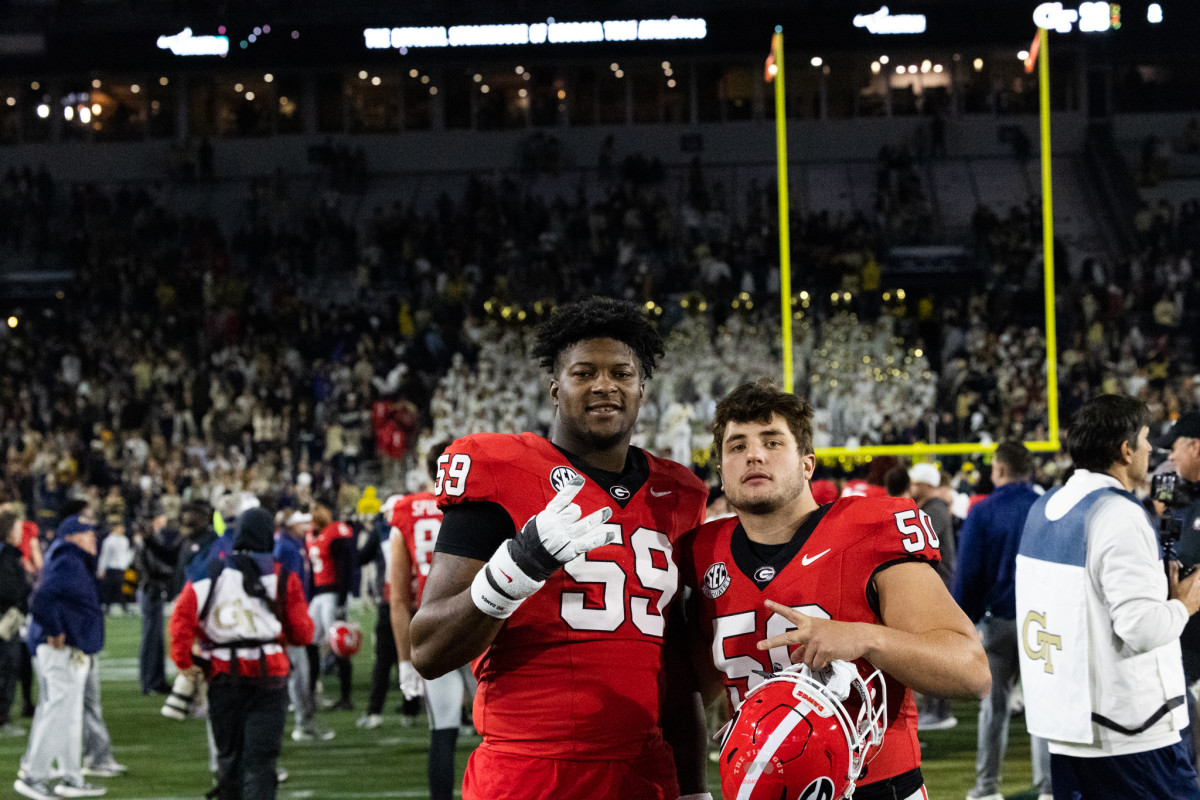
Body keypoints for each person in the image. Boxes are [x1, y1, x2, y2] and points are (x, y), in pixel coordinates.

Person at [410, 296, 711, 800]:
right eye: (584, 372)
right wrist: (516, 568)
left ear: (642, 389)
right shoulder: (498, 467)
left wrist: (694, 788)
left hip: (644, 771)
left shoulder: (678, 493)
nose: (604, 385)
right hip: (528, 771)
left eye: (621, 372)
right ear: (555, 387)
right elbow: (428, 650)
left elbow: (675, 666)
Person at [681, 380, 990, 800]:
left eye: (772, 442)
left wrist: (864, 636)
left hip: (876, 789)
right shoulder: (703, 552)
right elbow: (687, 691)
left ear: (807, 464)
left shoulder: (867, 528)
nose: (753, 454)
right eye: (736, 446)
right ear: (720, 469)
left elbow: (971, 669)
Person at [1016, 394, 1200, 799]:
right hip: (1130, 733)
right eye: (1147, 439)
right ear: (1125, 448)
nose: (1152, 450)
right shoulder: (1116, 513)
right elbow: (1141, 628)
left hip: (1068, 726)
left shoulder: (1046, 506)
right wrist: (1184, 603)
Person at [169, 507, 313, 800]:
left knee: (229, 759)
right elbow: (303, 634)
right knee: (261, 764)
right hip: (270, 677)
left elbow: (180, 619)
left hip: (223, 677)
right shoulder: (282, 576)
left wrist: (185, 661)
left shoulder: (209, 572)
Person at [953, 441, 1051, 800]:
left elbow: (969, 575)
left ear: (999, 470)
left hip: (999, 622)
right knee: (1043, 711)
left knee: (992, 711)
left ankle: (987, 789)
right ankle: (1050, 790)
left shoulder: (984, 511)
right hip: (1043, 624)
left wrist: (962, 623)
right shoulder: (1047, 507)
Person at [385, 441, 473, 800]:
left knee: (443, 730)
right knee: (506, 733)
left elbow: (398, 598)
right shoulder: (479, 505)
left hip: (433, 627)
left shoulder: (406, 510)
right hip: (478, 623)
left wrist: (405, 661)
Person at [15, 515, 107, 800]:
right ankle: (34, 776)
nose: (93, 538)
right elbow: (41, 598)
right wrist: (55, 629)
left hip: (69, 649)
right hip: (58, 649)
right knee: (57, 713)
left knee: (67, 717)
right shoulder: (67, 561)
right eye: (86, 533)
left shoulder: (71, 561)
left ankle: (71, 777)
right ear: (71, 538)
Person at [908, 460, 959, 730]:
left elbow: (918, 547)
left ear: (928, 485)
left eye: (916, 483)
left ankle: (940, 711)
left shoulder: (935, 509)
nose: (912, 486)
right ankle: (935, 708)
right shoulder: (929, 508)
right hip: (934, 589)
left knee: (936, 654)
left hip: (940, 590)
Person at [305, 503, 355, 711]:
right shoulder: (311, 535)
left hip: (333, 594)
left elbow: (344, 570)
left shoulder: (336, 533)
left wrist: (341, 602)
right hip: (318, 596)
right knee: (310, 643)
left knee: (339, 646)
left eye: (316, 510)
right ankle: (311, 692)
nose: (312, 514)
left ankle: (346, 698)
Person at [135, 512, 178, 696]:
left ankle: (156, 680)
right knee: (151, 638)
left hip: (153, 591)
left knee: (156, 638)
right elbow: (150, 568)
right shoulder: (146, 541)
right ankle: (149, 681)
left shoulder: (152, 539)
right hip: (150, 591)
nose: (163, 520)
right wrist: (173, 573)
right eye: (159, 517)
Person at [0, 509, 31, 738]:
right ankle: (2, 719)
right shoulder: (7, 555)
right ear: (10, 531)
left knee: (11, 666)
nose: (22, 533)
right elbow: (10, 590)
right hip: (6, 619)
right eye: (19, 528)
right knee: (8, 667)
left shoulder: (10, 554)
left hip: (9, 618)